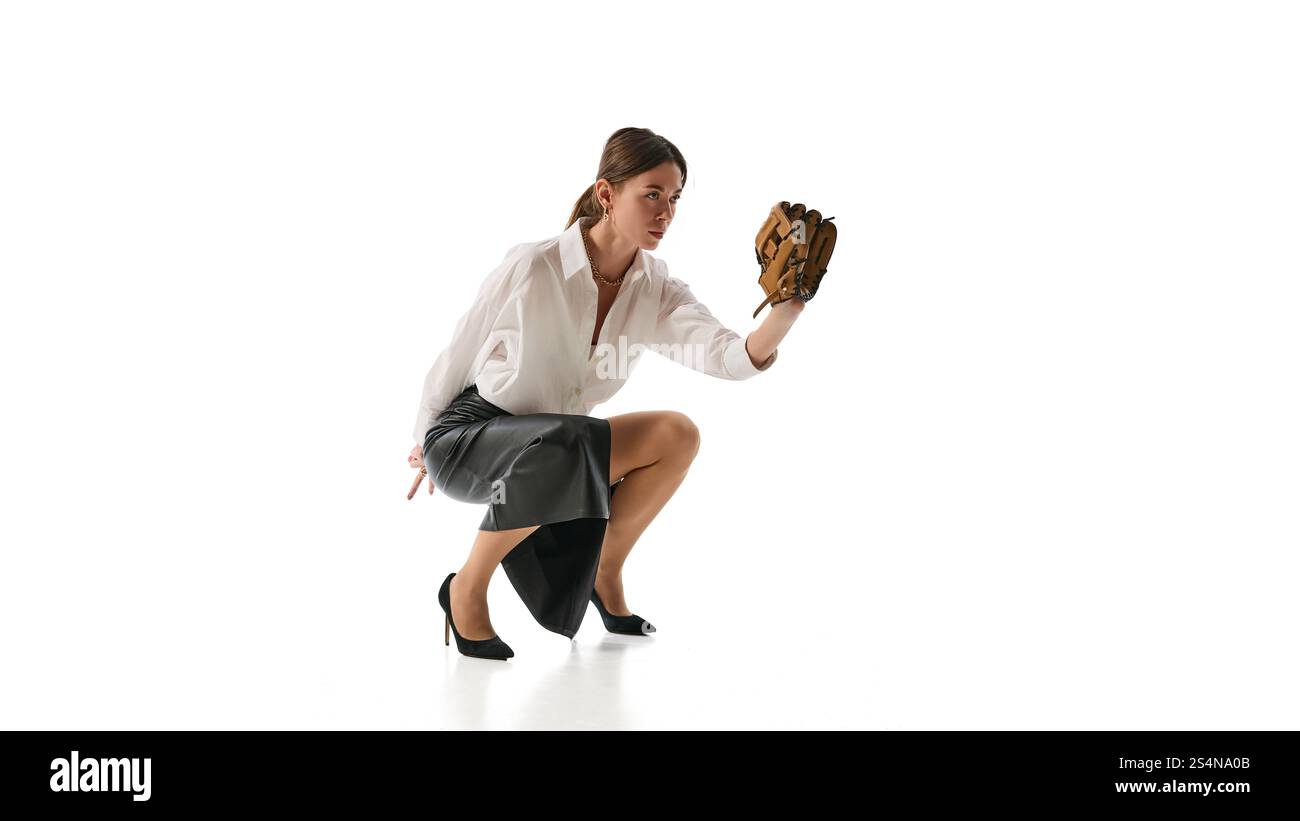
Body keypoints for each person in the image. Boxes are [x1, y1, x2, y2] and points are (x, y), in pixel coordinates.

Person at [408, 126, 805, 659]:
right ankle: (465, 590)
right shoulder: (535, 264)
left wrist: (787, 310)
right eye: (652, 194)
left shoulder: (656, 288)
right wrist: (424, 436)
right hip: (471, 437)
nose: (666, 212)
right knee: (569, 441)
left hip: (555, 453)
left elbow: (729, 356)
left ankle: (605, 568)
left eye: (674, 198)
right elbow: (461, 347)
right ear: (606, 194)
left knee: (675, 434)